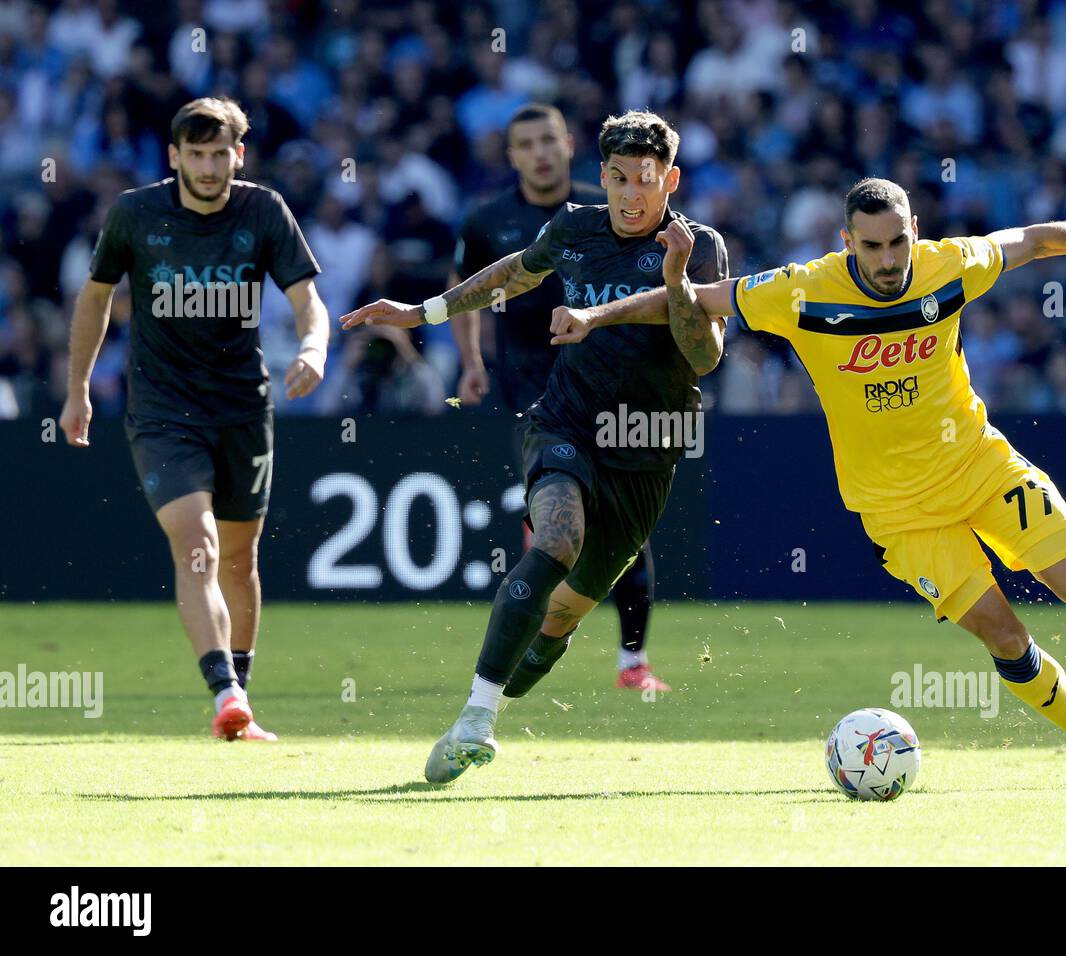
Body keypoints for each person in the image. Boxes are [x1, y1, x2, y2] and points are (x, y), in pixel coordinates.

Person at [551, 177, 1066, 788]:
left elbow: (1037, 239)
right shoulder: (801, 291)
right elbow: (696, 299)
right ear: (848, 243)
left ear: (915, 230)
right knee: (1005, 636)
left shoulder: (949, 266)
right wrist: (593, 318)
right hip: (898, 514)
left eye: (899, 241)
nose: (890, 257)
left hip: (980, 467)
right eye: (873, 246)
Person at [341, 111, 728, 785]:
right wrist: (423, 312)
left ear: (670, 180)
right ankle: (475, 717)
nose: (631, 195)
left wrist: (675, 279)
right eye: (618, 179)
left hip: (646, 447)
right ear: (601, 176)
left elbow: (704, 358)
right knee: (555, 538)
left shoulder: (699, 247)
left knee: (560, 617)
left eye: (645, 180)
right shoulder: (575, 228)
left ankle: (502, 694)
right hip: (565, 422)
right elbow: (516, 274)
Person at [58, 97, 329, 741]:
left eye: (221, 154)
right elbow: (95, 298)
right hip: (161, 409)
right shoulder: (134, 214)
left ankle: (241, 693)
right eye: (197, 154)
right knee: (198, 545)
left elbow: (306, 297)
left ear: (239, 154)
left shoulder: (262, 210)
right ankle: (224, 693)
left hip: (242, 406)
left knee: (239, 558)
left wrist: (313, 346)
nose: (210, 167)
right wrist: (77, 389)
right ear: (175, 156)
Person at [451, 103, 667, 692]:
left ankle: (630, 659)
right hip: (535, 394)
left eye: (549, 140)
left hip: (612, 394)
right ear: (512, 154)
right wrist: (471, 362)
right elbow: (473, 286)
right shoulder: (487, 219)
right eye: (527, 144)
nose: (540, 152)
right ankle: (531, 644)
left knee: (623, 533)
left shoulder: (606, 211)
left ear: (570, 146)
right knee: (554, 526)